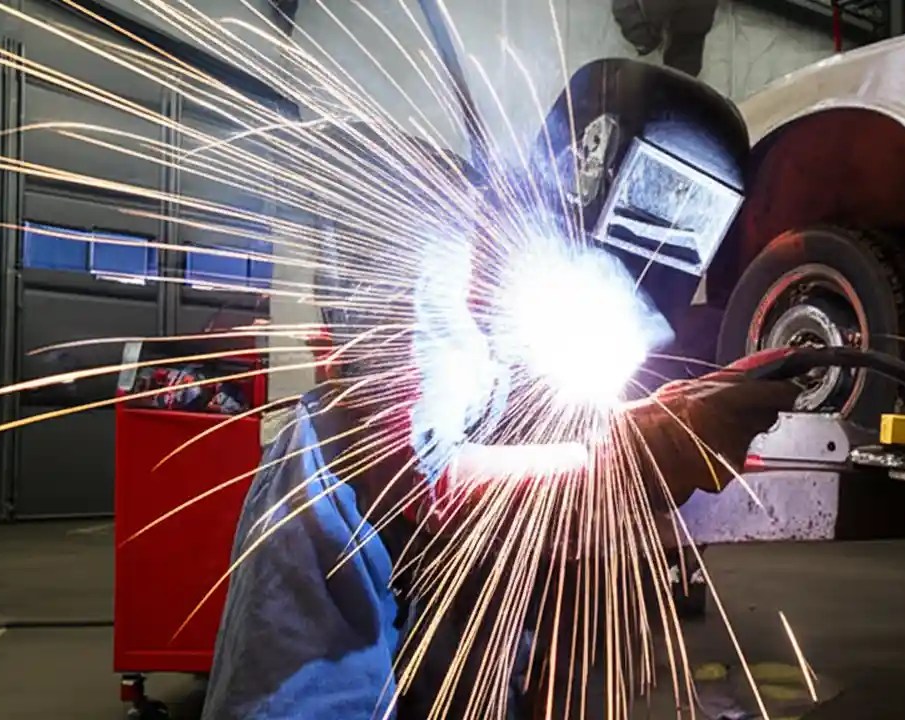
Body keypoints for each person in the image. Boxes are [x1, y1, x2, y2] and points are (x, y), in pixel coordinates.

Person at [201, 137, 800, 720]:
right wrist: (635, 454)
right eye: (422, 333)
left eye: (461, 315)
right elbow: (432, 484)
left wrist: (650, 428)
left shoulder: (491, 402)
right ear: (331, 357)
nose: (463, 355)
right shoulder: (317, 482)